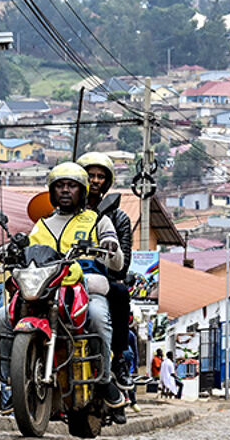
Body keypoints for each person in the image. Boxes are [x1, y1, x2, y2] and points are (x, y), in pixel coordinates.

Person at [0, 162, 127, 421]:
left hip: (83, 287)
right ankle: (12, 381)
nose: (65, 190)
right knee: (1, 318)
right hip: (46, 287)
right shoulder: (42, 225)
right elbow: (30, 251)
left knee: (98, 317)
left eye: (72, 185)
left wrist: (111, 245)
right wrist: (9, 250)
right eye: (60, 186)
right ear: (52, 192)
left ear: (83, 191)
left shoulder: (99, 220)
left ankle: (105, 378)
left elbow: (117, 261)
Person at [77, 152, 136, 392]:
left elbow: (123, 262)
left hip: (101, 278)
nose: (95, 180)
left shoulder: (116, 217)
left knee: (120, 292)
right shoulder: (66, 211)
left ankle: (118, 357)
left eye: (101, 176)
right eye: (90, 175)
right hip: (66, 276)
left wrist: (105, 253)